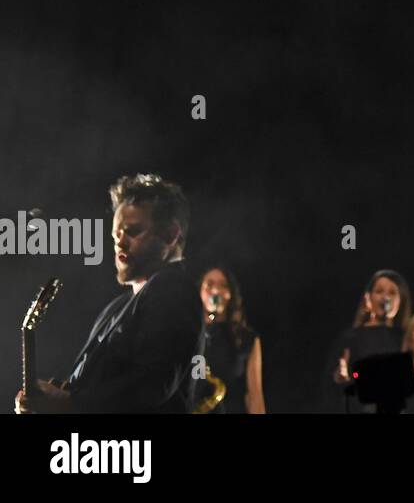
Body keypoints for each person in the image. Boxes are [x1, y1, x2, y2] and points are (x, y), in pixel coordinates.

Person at [14, 173, 204, 413]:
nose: (120, 243)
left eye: (133, 231)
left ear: (170, 234)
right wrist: (59, 394)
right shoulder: (116, 307)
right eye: (116, 234)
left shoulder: (175, 292)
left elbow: (153, 385)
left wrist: (70, 404)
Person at [327, 269, 411, 413]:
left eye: (392, 293)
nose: (386, 298)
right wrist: (344, 377)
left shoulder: (406, 338)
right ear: (368, 298)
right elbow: (346, 377)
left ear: (401, 300)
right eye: (379, 291)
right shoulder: (352, 337)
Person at [198, 265, 266, 413]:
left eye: (223, 285)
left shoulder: (246, 338)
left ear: (231, 294)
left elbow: (255, 396)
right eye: (209, 284)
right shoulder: (189, 332)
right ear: (199, 290)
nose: (215, 291)